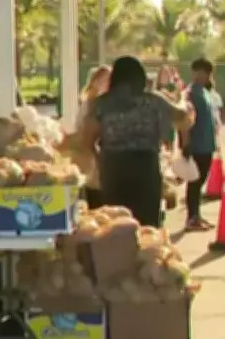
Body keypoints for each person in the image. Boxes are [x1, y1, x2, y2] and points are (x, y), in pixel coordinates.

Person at [81, 56, 189, 227]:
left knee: (117, 223)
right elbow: (182, 117)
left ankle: (120, 252)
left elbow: (87, 141)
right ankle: (148, 252)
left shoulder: (101, 104)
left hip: (114, 168)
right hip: (145, 168)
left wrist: (100, 162)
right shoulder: (153, 100)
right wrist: (183, 101)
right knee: (147, 224)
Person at [179, 58, 218, 231]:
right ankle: (191, 218)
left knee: (200, 182)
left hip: (207, 145)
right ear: (196, 72)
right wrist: (186, 143)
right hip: (197, 146)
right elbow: (185, 120)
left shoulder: (205, 92)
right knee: (194, 182)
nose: (206, 76)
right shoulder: (191, 93)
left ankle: (197, 215)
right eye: (203, 72)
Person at [75, 65, 111, 209]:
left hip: (94, 155)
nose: (108, 83)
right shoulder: (93, 103)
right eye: (105, 80)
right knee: (96, 195)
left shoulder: (97, 101)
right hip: (92, 156)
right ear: (95, 81)